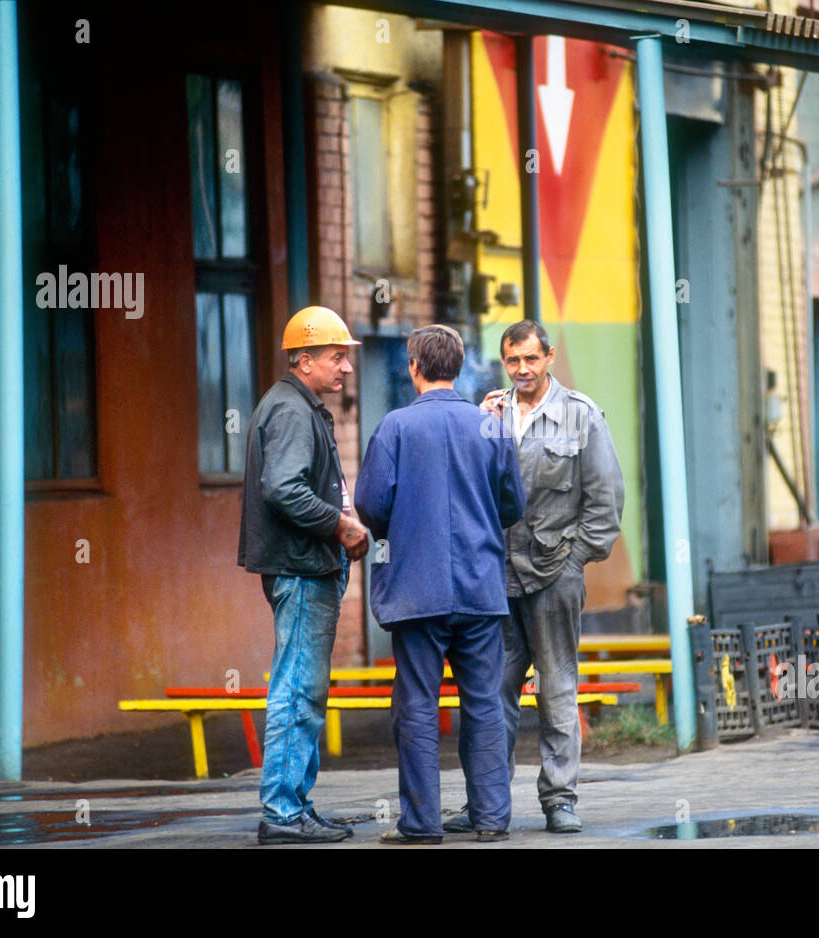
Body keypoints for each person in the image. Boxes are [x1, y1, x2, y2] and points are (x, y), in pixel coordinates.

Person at [449, 320, 624, 834]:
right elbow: (471, 488)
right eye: (512, 361)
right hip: (497, 578)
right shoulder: (490, 414)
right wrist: (478, 426)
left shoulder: (581, 415)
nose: (522, 370)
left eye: (530, 359)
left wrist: (573, 561)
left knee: (557, 689)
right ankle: (486, 801)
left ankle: (559, 800)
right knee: (490, 691)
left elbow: (606, 501)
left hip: (554, 576)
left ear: (549, 357)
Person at [355, 324, 526, 844]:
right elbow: (513, 505)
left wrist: (400, 530)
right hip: (480, 587)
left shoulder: (394, 428)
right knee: (484, 703)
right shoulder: (490, 427)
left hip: (415, 590)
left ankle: (421, 823)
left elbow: (370, 504)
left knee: (417, 706)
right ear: (459, 366)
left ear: (413, 367)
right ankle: (492, 818)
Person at [239, 306, 371, 845]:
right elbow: (283, 488)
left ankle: (296, 806)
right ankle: (282, 814)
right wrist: (340, 526)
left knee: (306, 691)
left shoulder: (297, 405)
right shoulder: (292, 411)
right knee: (296, 692)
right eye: (338, 357)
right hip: (300, 569)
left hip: (302, 566)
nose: (346, 368)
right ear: (305, 359)